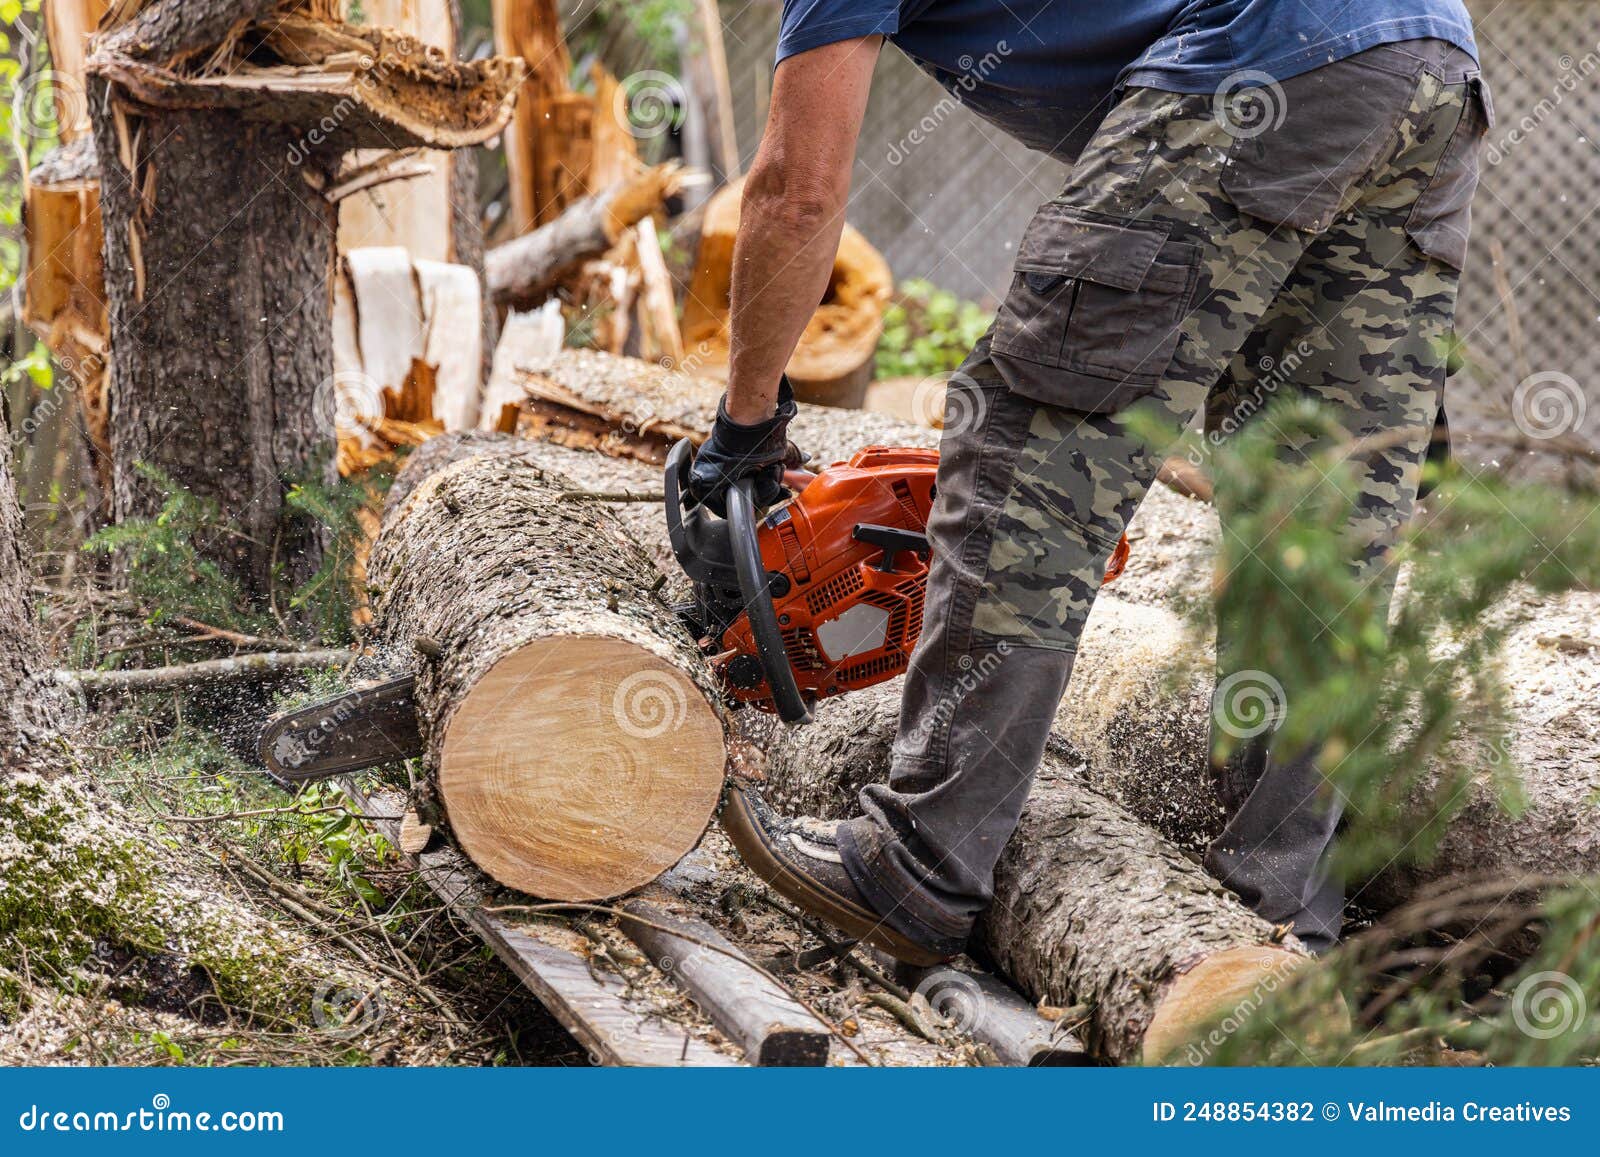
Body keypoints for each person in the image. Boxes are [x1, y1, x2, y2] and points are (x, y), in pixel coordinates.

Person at [688, 0, 1489, 964]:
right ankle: (1281, 926)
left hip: (1268, 56)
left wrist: (745, 426)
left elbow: (796, 194)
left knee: (1031, 438)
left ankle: (919, 859)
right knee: (1322, 502)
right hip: (1433, 61)